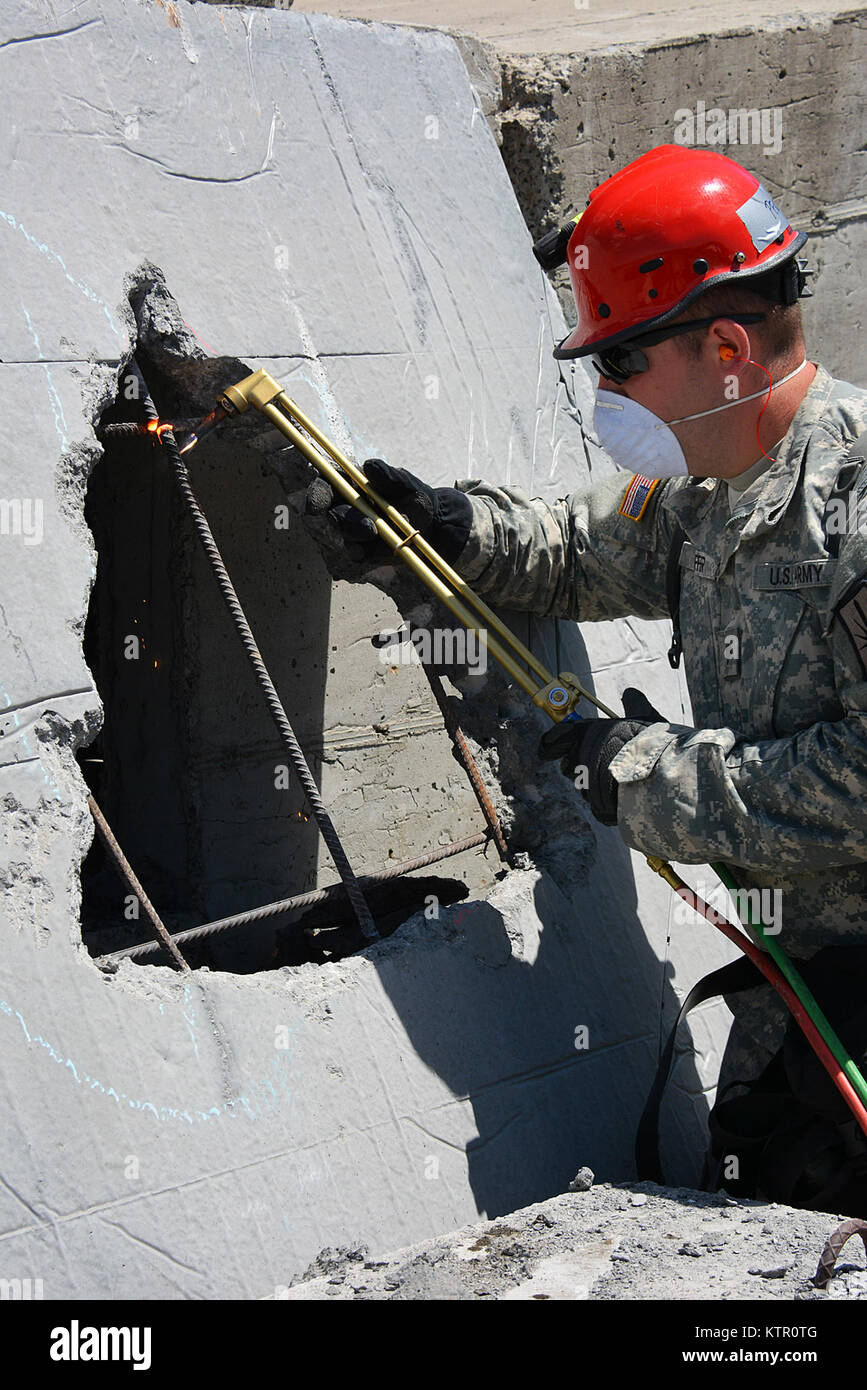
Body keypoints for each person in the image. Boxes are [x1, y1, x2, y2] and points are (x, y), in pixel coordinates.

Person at [308, 145, 867, 1192]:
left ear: (728, 347)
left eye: (621, 364)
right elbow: (574, 549)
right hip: (802, 1003)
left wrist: (647, 772)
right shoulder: (717, 485)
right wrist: (447, 527)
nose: (607, 394)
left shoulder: (853, 501)